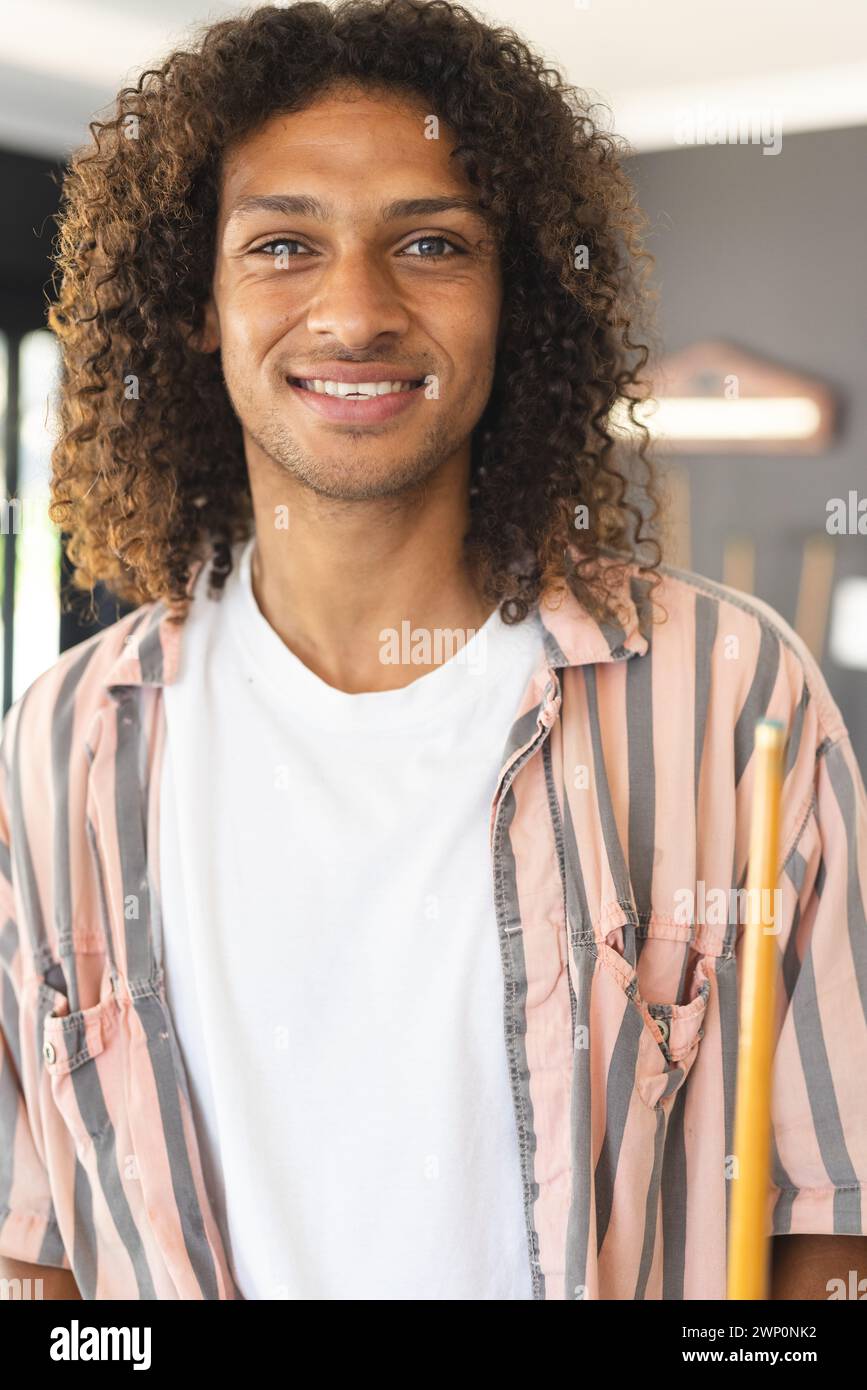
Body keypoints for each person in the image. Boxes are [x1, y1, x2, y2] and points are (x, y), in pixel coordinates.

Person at [1, 0, 865, 1301]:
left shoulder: (734, 698)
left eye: (431, 243)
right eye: (284, 243)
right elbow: (39, 1254)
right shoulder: (63, 742)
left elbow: (832, 1230)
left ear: (517, 300)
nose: (355, 309)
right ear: (198, 303)